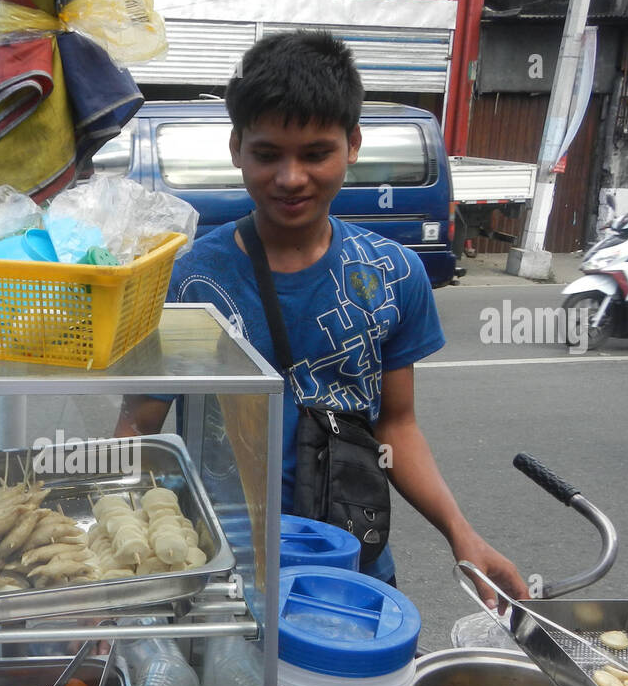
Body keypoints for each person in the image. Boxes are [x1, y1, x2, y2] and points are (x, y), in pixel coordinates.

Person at [114, 30, 526, 608]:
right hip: (221, 575)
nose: (289, 178)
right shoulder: (183, 281)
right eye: (267, 154)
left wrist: (463, 535)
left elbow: (397, 427)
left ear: (352, 144)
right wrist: (106, 545)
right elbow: (139, 426)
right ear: (236, 148)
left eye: (314, 153)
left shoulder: (394, 275)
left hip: (351, 568)